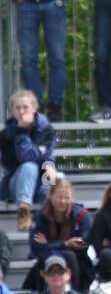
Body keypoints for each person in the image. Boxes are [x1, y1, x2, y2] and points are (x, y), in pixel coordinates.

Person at [25, 174, 93, 293]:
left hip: (78, 265)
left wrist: (49, 245)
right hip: (47, 261)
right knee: (46, 257)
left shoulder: (81, 215)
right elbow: (35, 248)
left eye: (67, 198)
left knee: (69, 256)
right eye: (59, 197)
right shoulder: (40, 216)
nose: (63, 201)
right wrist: (65, 244)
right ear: (50, 195)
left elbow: (84, 242)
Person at [1, 89, 56, 231]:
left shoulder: (47, 131)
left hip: (43, 176)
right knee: (29, 167)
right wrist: (21, 131)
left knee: (52, 170)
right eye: (17, 108)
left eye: (25, 107)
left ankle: (49, 221)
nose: (22, 111)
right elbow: (24, 160)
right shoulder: (6, 135)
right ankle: (23, 211)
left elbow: (47, 160)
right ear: (12, 110)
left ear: (34, 108)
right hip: (17, 184)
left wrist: (45, 189)